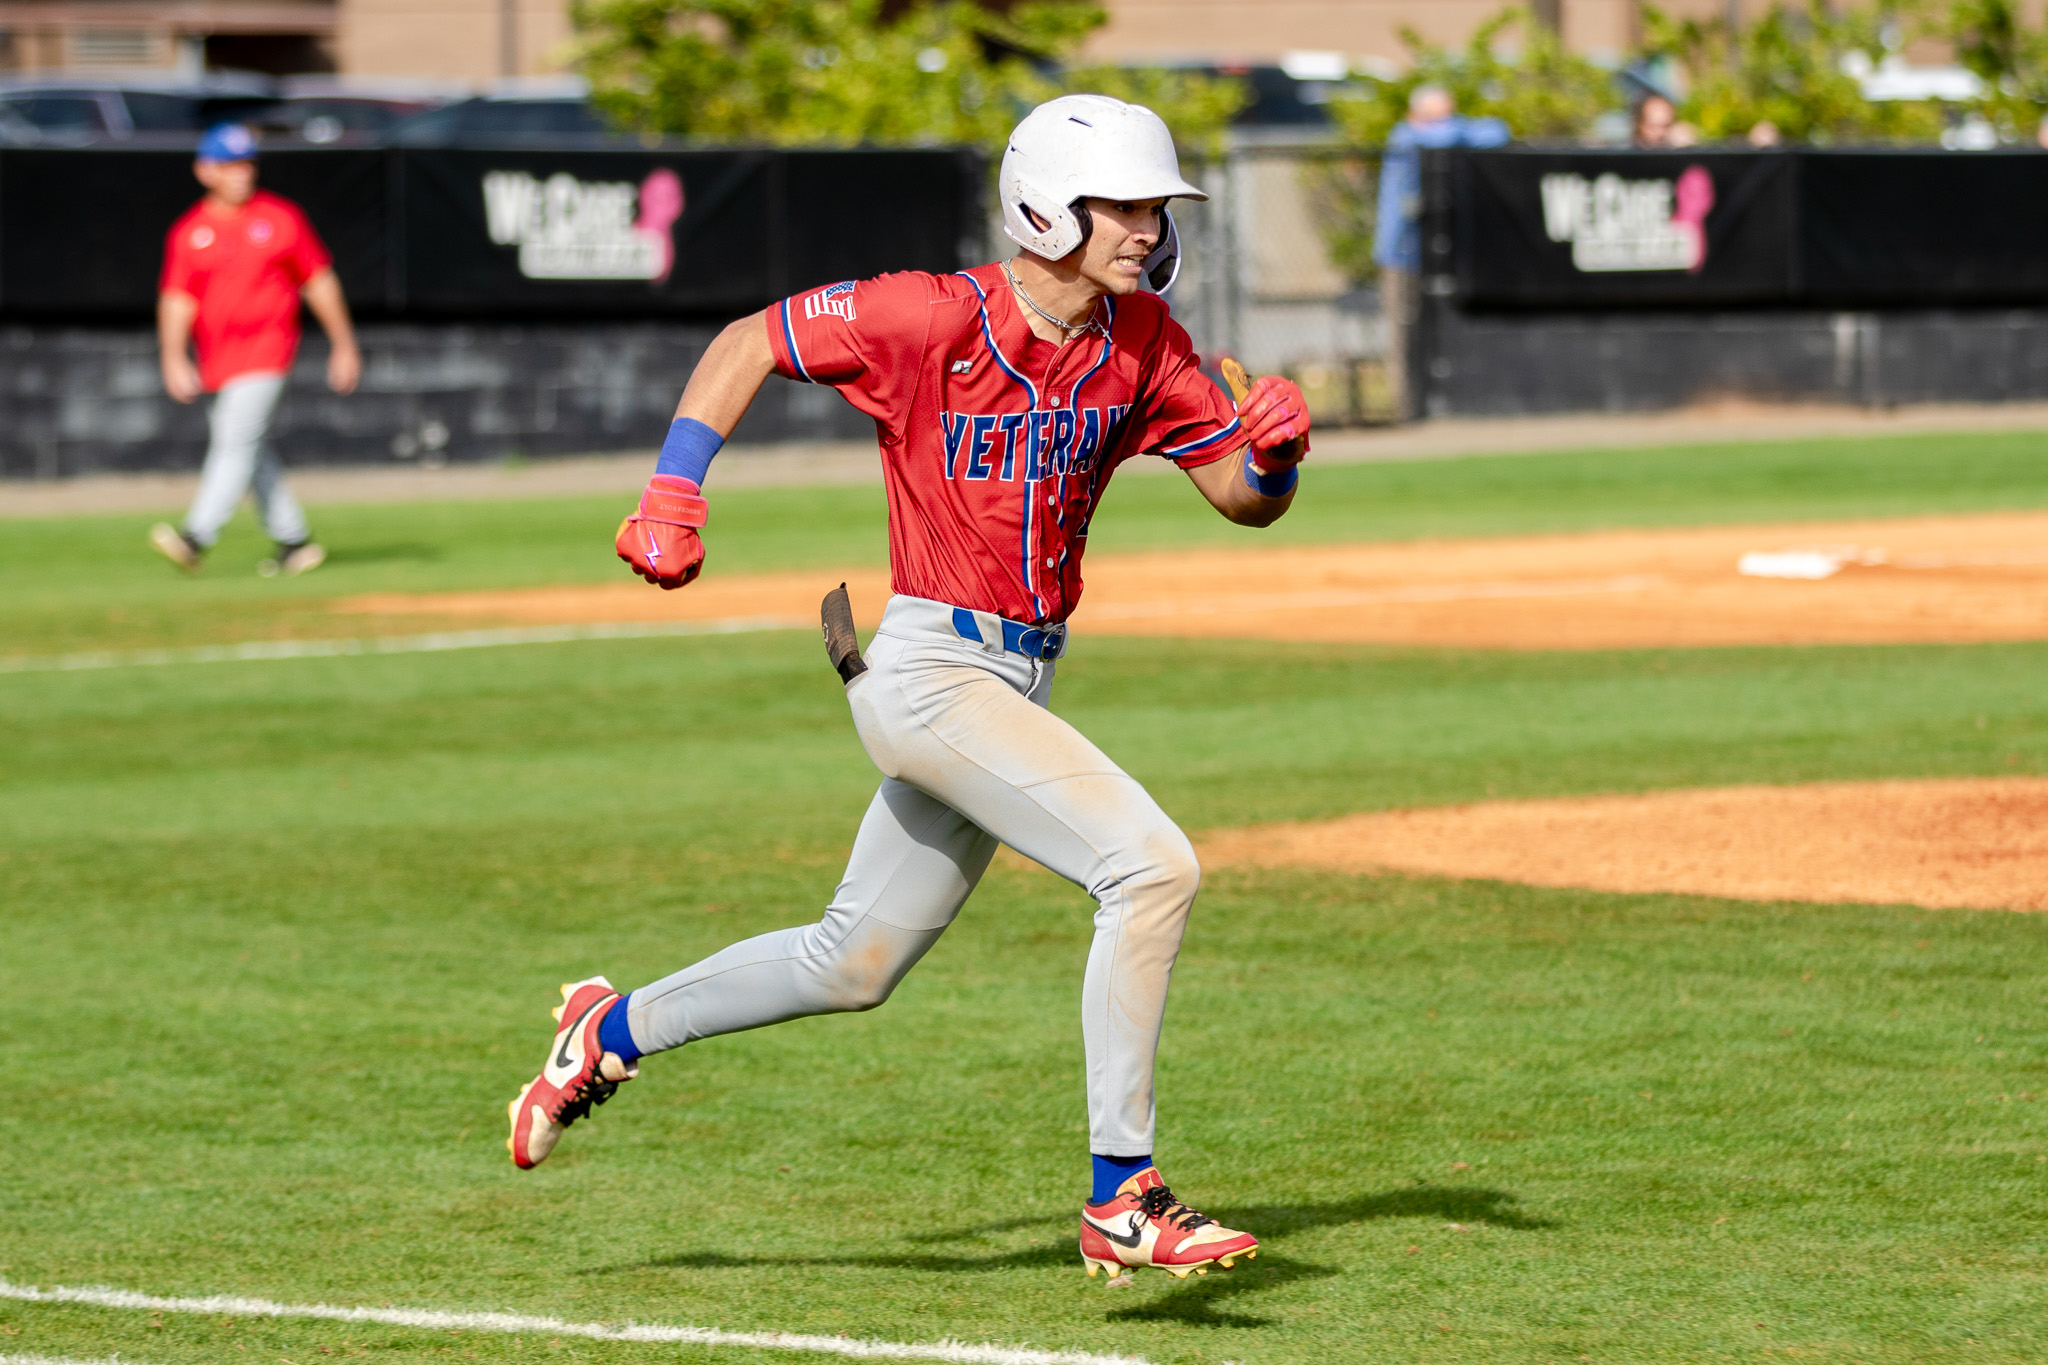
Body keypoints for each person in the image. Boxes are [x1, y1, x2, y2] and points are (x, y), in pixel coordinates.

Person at [505, 94, 1313, 1284]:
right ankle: (1120, 1196)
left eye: (1156, 207)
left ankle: (607, 1031)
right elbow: (746, 342)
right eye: (1125, 206)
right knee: (1151, 868)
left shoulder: (1145, 344)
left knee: (852, 963)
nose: (1148, 228)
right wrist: (675, 488)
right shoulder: (927, 314)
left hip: (1013, 680)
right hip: (930, 668)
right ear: (1047, 207)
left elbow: (1240, 500)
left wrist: (1277, 459)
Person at [149, 122, 360, 577]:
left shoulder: (281, 218)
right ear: (205, 171)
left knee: (235, 442)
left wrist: (343, 344)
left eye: (247, 163)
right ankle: (294, 541)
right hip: (217, 359)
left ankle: (195, 536)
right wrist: (172, 355)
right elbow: (177, 299)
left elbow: (319, 282)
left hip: (268, 351)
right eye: (229, 164)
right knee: (251, 450)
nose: (241, 174)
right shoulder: (190, 232)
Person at [1373, 85, 1508, 420]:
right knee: (1403, 336)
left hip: (1437, 257)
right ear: (1415, 115)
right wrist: (1450, 128)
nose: (1443, 125)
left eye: (1447, 116)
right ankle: (1404, 409)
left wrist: (1451, 124)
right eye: (1435, 118)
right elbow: (1432, 139)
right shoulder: (1402, 136)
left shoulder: (1448, 132)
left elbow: (1498, 133)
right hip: (1400, 257)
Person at [1632, 92, 1699, 149]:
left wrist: (1687, 149)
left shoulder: (1675, 147)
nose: (1660, 133)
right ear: (1640, 125)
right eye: (1653, 127)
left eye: (1665, 126)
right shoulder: (1628, 152)